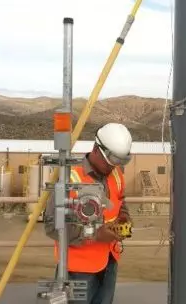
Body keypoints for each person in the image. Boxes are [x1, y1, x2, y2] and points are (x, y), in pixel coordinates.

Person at [44, 123, 133, 304]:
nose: (113, 167)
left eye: (118, 162)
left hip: (110, 261)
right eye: (111, 161)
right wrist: (94, 234)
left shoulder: (116, 175)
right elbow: (52, 225)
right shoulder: (70, 177)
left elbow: (120, 201)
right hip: (77, 270)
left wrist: (124, 216)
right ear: (96, 148)